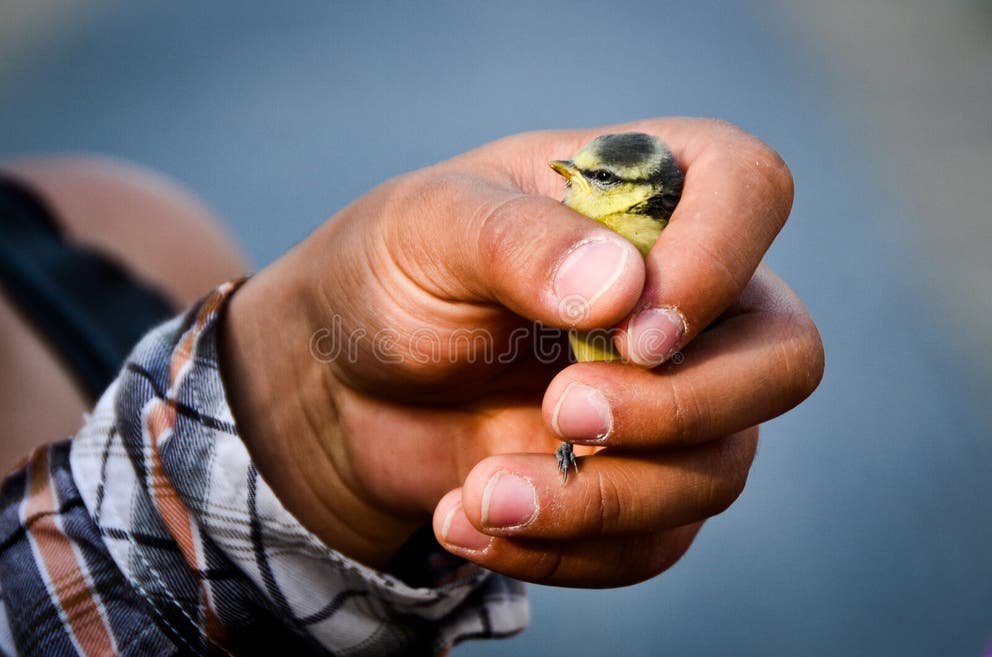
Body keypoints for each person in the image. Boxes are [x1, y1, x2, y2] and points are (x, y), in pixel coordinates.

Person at [0, 118, 824, 656]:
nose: (571, 179)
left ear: (635, 195)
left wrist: (306, 433)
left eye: (595, 182)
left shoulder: (117, 225)